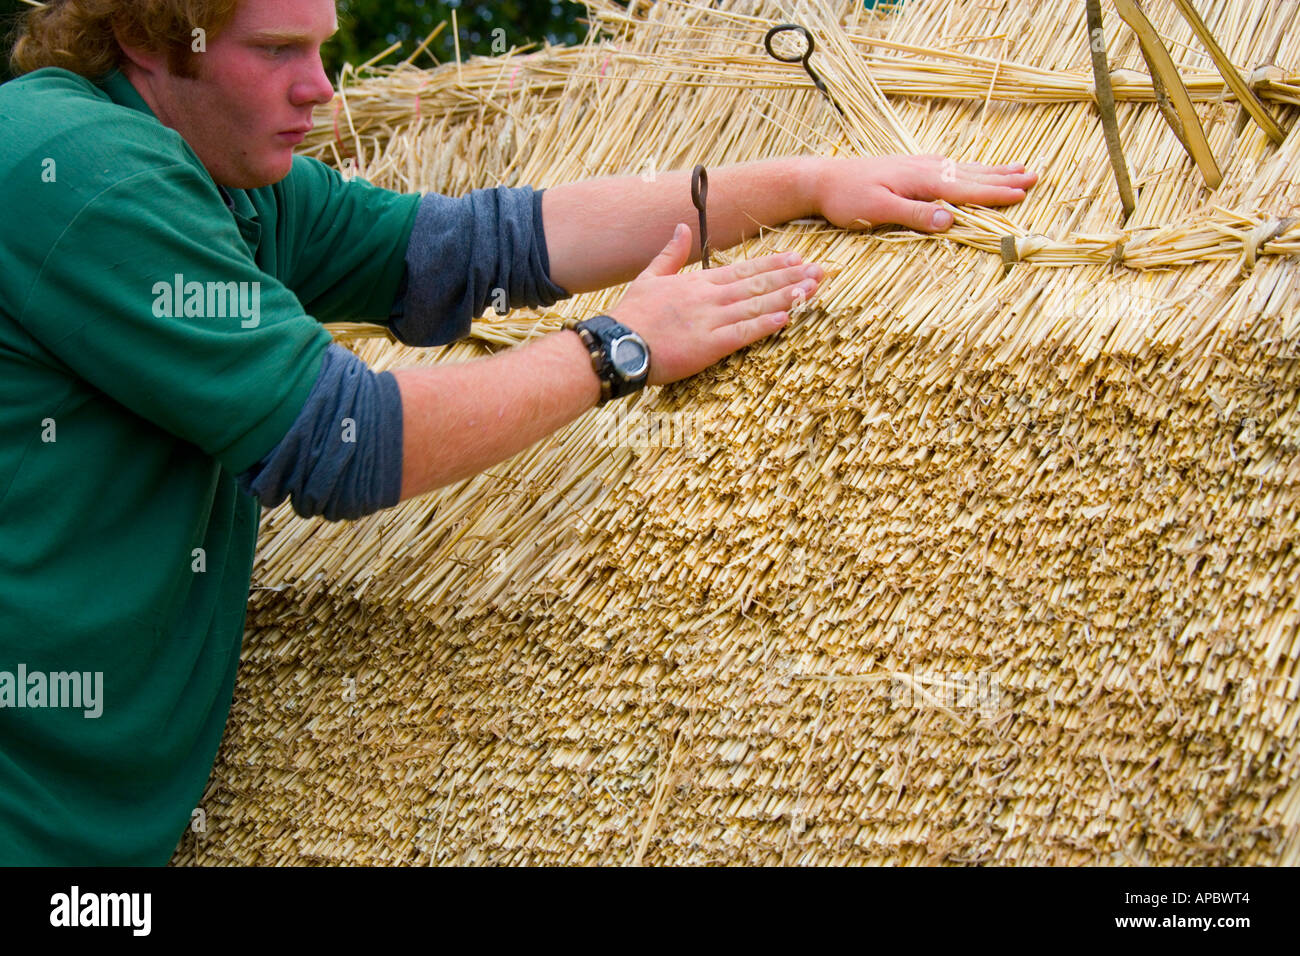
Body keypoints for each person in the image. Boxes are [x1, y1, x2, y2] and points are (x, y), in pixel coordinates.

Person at [0, 0, 1036, 865]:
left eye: (320, 44)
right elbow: (340, 438)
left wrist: (799, 185)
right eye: (276, 52)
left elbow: (464, 249)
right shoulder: (82, 173)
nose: (320, 86)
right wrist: (614, 349)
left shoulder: (206, 169)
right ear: (148, 36)